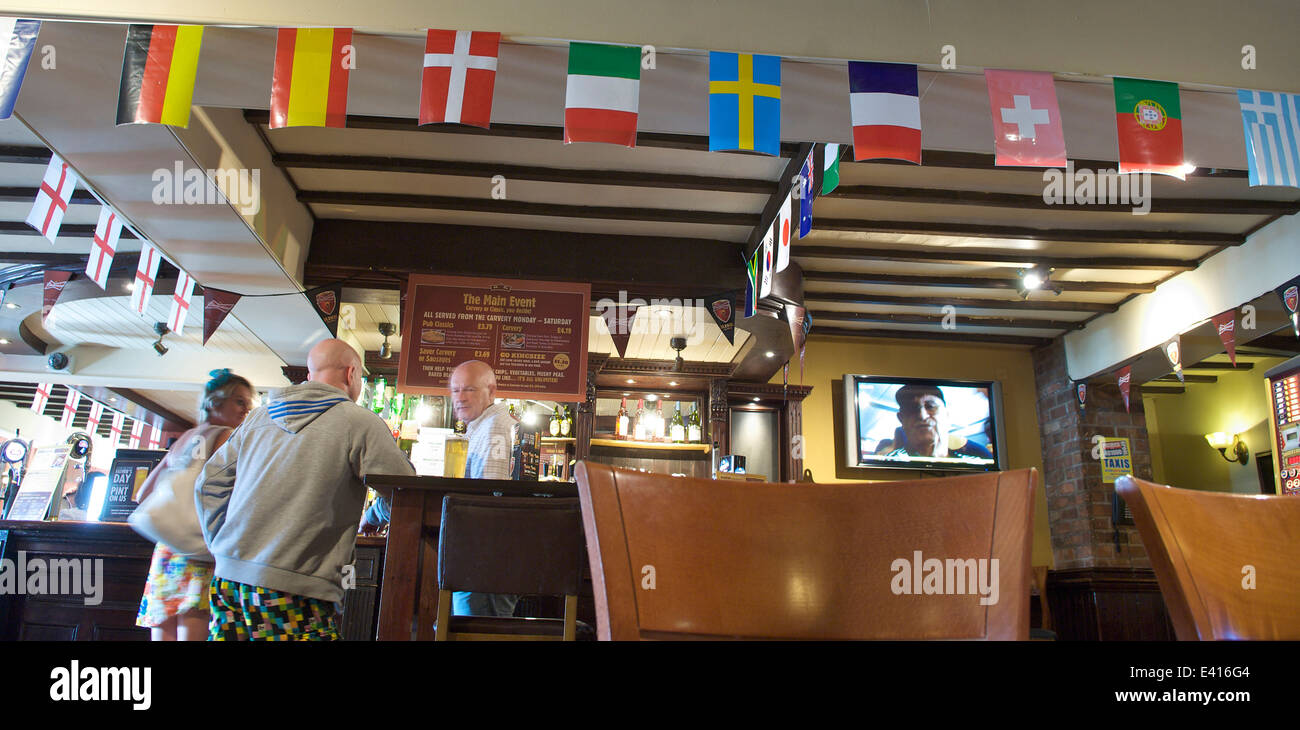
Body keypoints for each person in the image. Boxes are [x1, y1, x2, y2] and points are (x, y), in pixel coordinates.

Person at [197, 339, 414, 640]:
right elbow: (406, 491)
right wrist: (376, 515)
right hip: (295, 586)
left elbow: (209, 483)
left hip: (229, 580)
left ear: (310, 376)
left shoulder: (259, 418)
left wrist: (223, 543)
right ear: (352, 374)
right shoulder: (358, 422)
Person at [360, 359, 516, 617]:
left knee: (475, 633)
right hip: (477, 556)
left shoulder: (494, 429)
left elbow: (487, 502)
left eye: (469, 389)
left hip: (482, 558)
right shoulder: (482, 428)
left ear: (492, 389)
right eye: (455, 390)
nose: (460, 398)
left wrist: (382, 511)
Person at [135, 369, 254, 641]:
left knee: (163, 631)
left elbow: (143, 494)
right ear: (215, 402)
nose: (246, 409)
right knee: (194, 628)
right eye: (239, 401)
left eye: (248, 402)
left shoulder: (185, 439)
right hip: (199, 549)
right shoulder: (226, 438)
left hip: (167, 551)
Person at [875, 384, 992, 460]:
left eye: (930, 406)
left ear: (947, 414)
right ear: (901, 419)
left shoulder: (977, 463)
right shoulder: (889, 462)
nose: (922, 415)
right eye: (912, 409)